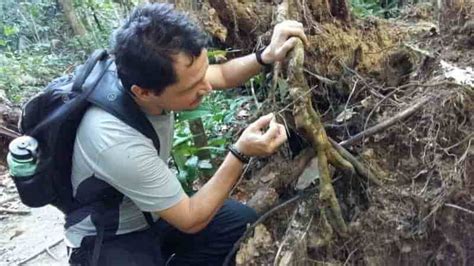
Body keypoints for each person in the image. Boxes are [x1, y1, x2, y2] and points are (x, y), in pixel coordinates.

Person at [66, 3, 308, 265]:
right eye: (193, 86)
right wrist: (240, 152)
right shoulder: (115, 141)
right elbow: (191, 218)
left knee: (238, 221)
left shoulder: (150, 74)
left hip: (152, 214)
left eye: (203, 74)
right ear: (143, 92)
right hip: (110, 236)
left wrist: (266, 56)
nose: (207, 87)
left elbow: (223, 75)